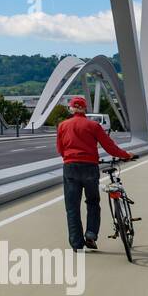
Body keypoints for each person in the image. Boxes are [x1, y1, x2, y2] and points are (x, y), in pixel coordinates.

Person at [56, 95, 135, 252]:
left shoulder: (63, 125)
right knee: (92, 202)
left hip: (70, 167)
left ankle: (76, 244)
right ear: (85, 109)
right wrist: (127, 155)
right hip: (90, 167)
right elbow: (110, 147)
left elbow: (60, 149)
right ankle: (91, 234)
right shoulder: (93, 125)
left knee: (72, 207)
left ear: (71, 108)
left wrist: (71, 158)